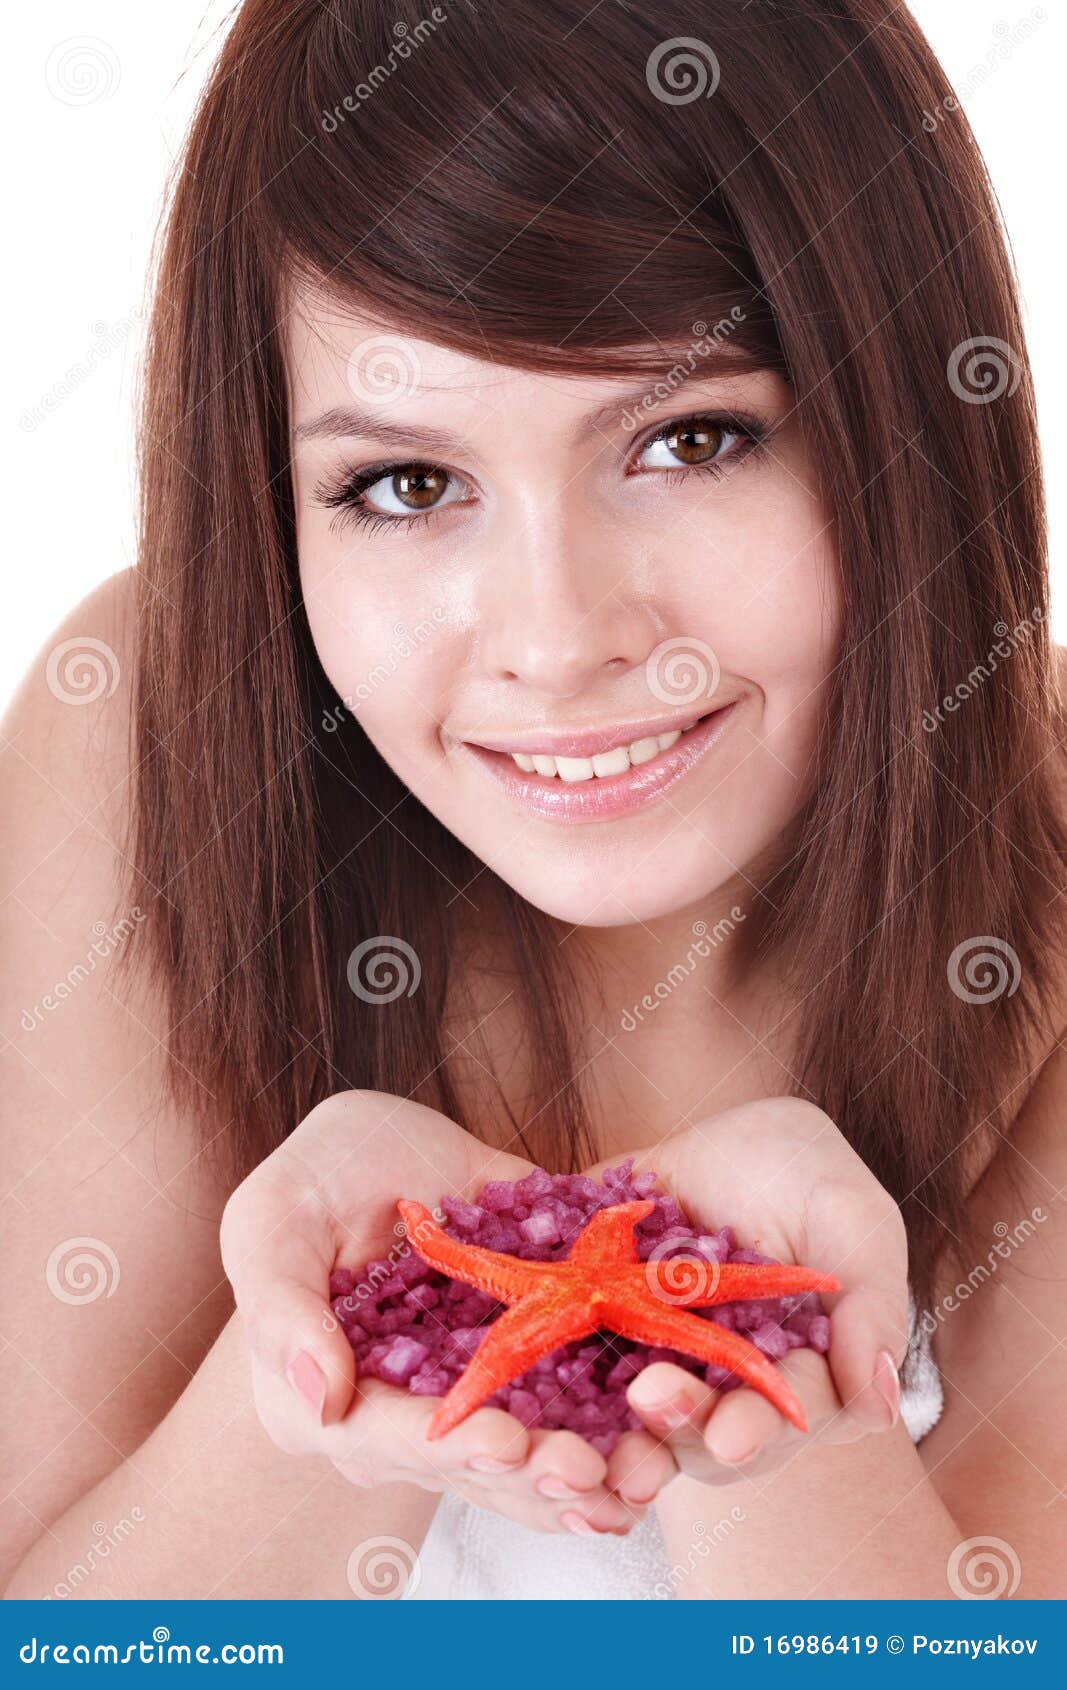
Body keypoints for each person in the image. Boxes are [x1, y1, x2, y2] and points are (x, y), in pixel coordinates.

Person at [3, 0, 1065, 1601]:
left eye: (693, 437)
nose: (561, 641)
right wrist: (358, 1351)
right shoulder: (154, 736)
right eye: (408, 484)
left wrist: (740, 1367)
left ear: (905, 423)